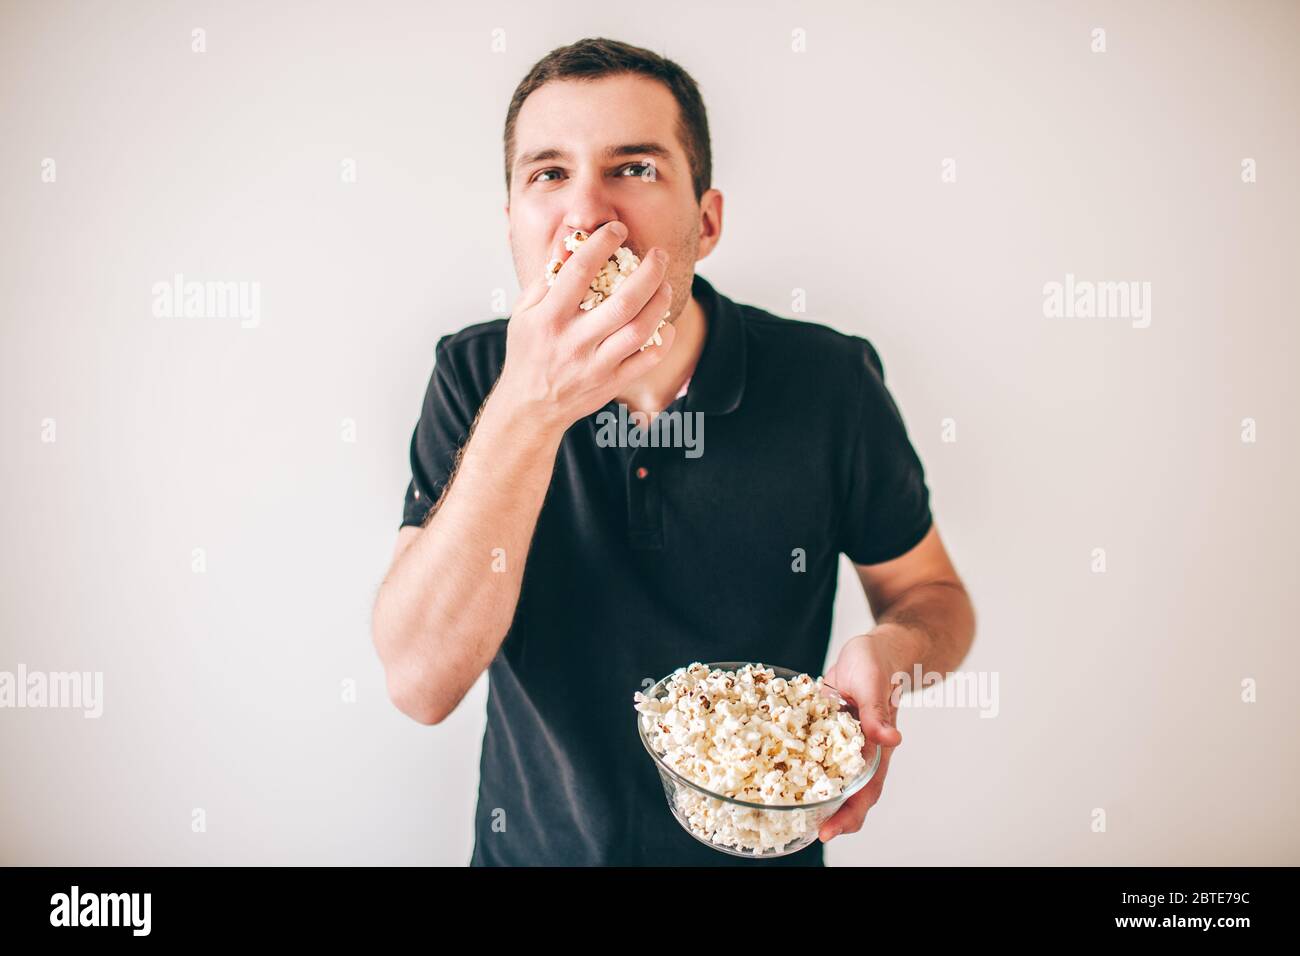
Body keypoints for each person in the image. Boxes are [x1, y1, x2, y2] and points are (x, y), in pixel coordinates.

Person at [371, 36, 976, 866]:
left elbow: (932, 594)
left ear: (708, 220)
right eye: (548, 173)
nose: (586, 214)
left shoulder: (829, 380)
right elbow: (418, 683)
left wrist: (894, 653)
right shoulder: (474, 375)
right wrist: (528, 408)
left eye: (635, 167)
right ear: (513, 219)